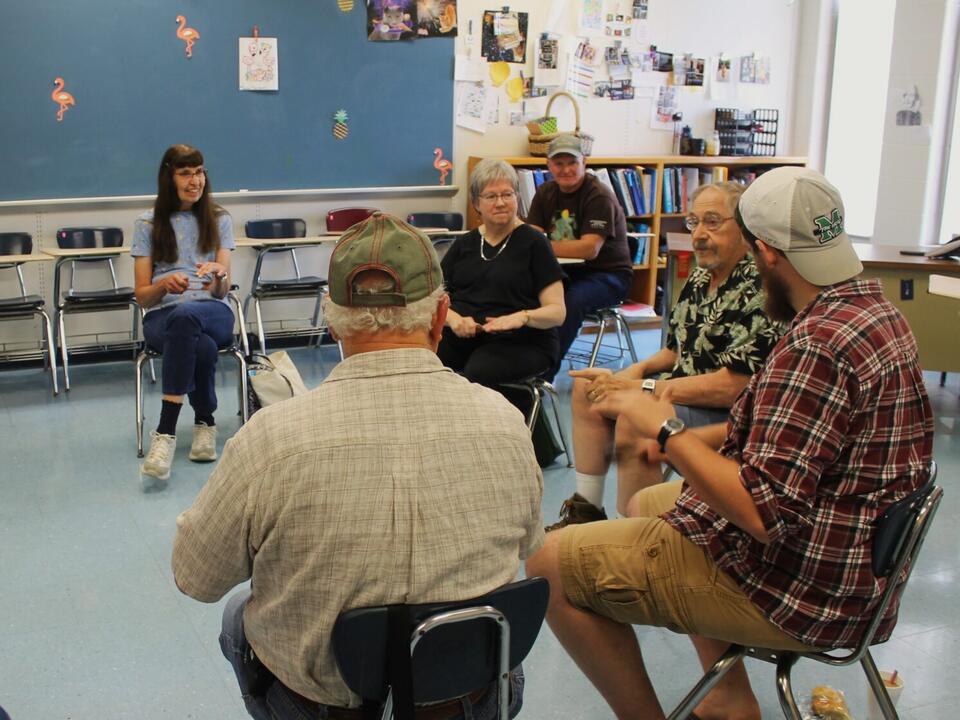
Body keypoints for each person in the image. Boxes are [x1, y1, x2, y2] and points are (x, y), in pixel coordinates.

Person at [526, 167, 934, 720]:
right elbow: (774, 431)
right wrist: (680, 432)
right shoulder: (876, 313)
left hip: (807, 589)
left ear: (763, 252)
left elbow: (760, 513)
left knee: (545, 562)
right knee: (650, 503)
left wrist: (665, 430)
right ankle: (726, 695)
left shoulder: (815, 345)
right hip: (857, 560)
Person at [172, 213, 544, 720]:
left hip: (331, 708)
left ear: (331, 321)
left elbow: (196, 578)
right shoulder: (506, 422)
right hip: (472, 700)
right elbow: (528, 547)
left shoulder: (271, 438)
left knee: (238, 613)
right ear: (440, 316)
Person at [549, 181, 784, 527]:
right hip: (681, 393)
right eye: (694, 223)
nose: (699, 234)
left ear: (745, 227)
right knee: (588, 390)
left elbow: (733, 386)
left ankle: (628, 531)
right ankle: (586, 512)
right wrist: (630, 373)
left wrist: (644, 390)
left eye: (713, 221)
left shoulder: (760, 287)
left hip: (727, 414)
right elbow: (674, 352)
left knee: (634, 416)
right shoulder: (701, 277)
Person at [132, 144, 236, 482]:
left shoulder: (220, 219)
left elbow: (221, 293)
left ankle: (164, 433)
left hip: (213, 310)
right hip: (164, 316)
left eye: (200, 172)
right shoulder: (147, 224)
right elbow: (144, 298)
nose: (196, 180)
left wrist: (220, 275)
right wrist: (163, 285)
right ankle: (205, 421)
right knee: (199, 343)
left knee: (189, 317)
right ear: (169, 177)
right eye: (186, 173)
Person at [438, 158, 566, 389]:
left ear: (517, 197)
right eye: (491, 196)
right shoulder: (465, 244)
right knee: (424, 362)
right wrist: (454, 320)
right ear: (476, 202)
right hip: (466, 336)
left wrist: (522, 317)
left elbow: (557, 313)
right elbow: (433, 299)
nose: (501, 203)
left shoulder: (535, 244)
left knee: (477, 374)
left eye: (507, 194)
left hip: (523, 341)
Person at [525, 134, 633, 377]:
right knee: (523, 290)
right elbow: (532, 234)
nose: (565, 169)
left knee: (570, 301)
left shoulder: (598, 195)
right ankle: (521, 360)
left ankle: (544, 371)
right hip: (567, 271)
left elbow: (589, 249)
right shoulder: (545, 192)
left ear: (584, 162)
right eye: (558, 163)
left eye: (572, 162)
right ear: (549, 166)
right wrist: (539, 243)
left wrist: (543, 244)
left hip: (608, 275)